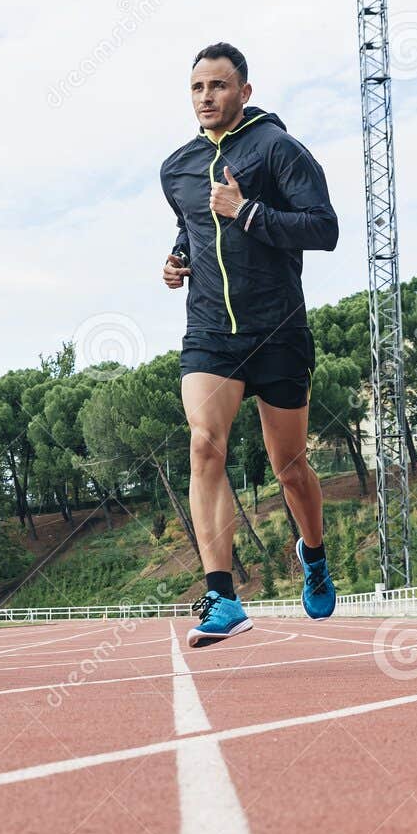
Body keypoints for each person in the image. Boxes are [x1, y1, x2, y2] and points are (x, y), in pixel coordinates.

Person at [159, 43, 341, 647]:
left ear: (245, 91)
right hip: (210, 331)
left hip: (278, 328)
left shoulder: (277, 148)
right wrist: (179, 257)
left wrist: (248, 212)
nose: (205, 97)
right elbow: (192, 224)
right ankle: (222, 595)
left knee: (290, 468)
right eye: (196, 88)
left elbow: (324, 228)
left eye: (217, 86)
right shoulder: (176, 167)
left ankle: (312, 555)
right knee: (204, 443)